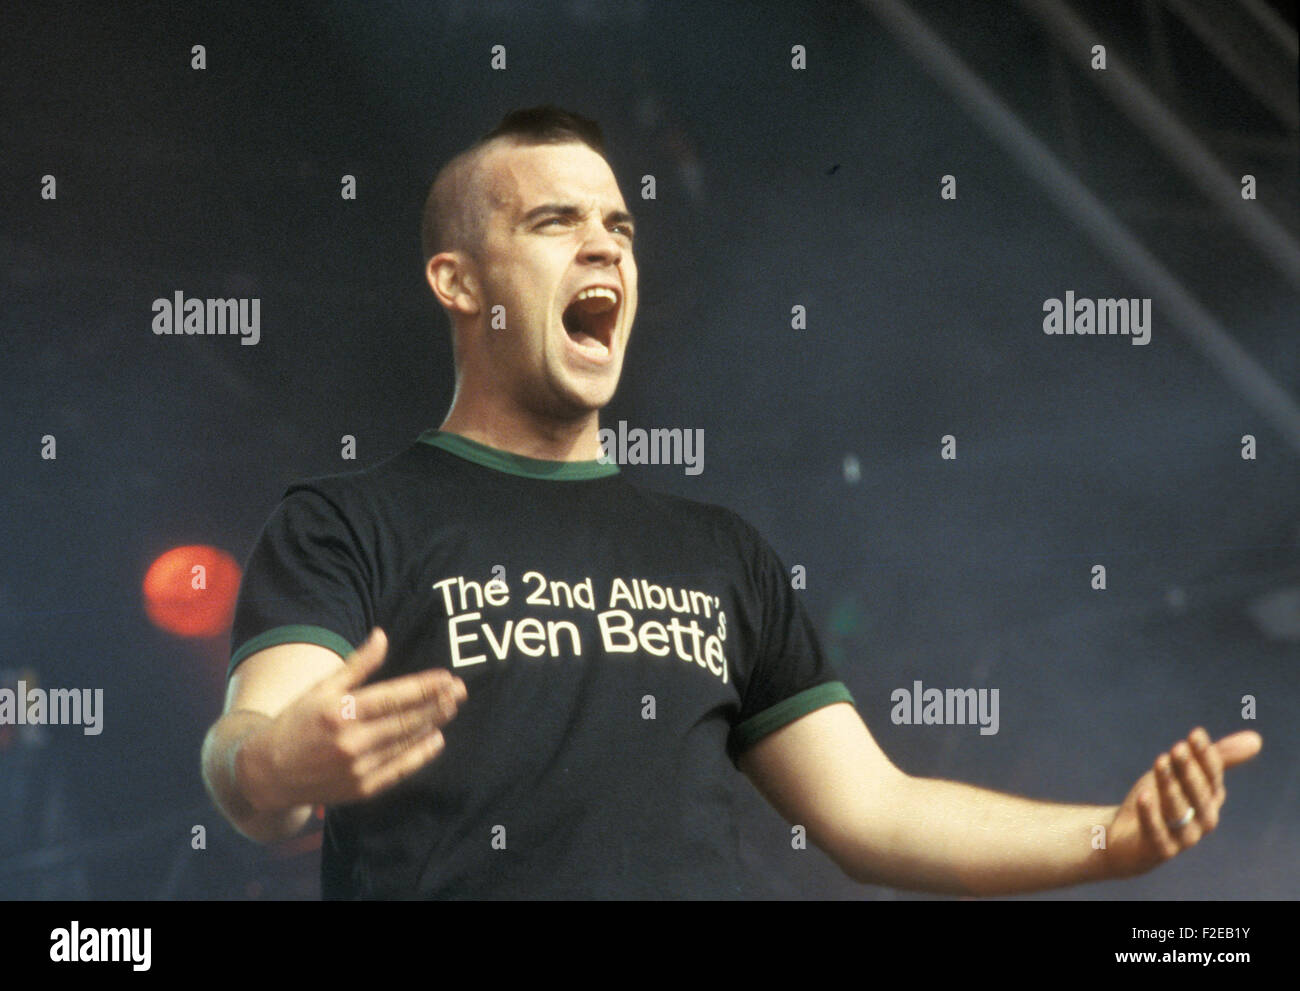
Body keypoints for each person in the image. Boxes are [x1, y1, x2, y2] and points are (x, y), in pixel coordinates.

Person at [200, 105, 1262, 899]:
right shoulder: (347, 522)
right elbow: (248, 754)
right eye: (554, 220)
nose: (605, 244)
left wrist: (1109, 840)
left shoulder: (717, 553)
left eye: (617, 223)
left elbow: (873, 809)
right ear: (459, 282)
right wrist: (278, 766)